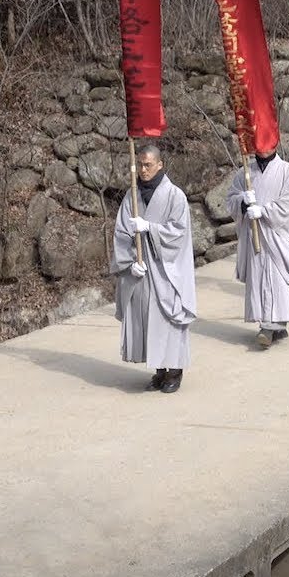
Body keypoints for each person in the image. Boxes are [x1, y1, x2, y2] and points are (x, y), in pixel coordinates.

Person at [110, 143, 197, 394]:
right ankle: (159, 370)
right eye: (140, 165)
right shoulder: (132, 196)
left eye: (148, 165)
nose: (143, 170)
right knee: (147, 319)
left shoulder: (175, 196)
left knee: (167, 318)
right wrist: (129, 262)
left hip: (166, 270)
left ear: (160, 165)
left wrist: (150, 228)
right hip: (142, 270)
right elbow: (122, 232)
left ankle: (175, 371)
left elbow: (179, 233)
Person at [227, 144, 289, 349]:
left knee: (277, 279)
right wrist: (243, 202)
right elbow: (231, 199)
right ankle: (272, 324)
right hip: (254, 236)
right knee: (260, 277)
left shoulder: (287, 171)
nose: (262, 148)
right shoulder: (245, 171)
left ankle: (271, 326)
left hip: (277, 235)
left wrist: (264, 211)